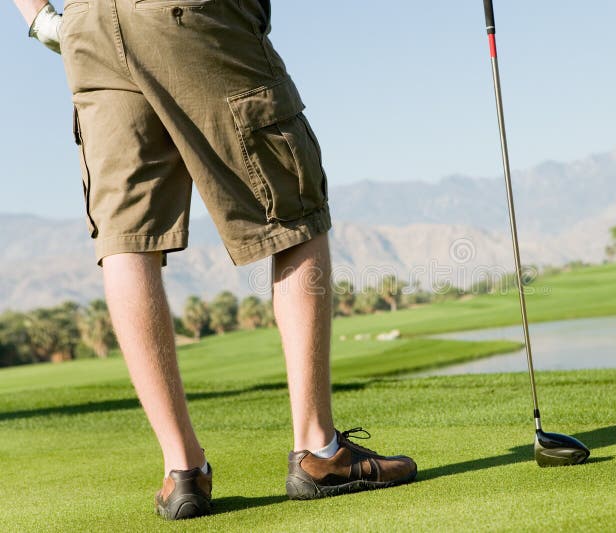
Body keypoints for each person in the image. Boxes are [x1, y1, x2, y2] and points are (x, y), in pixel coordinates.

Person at [15, 0, 417, 520]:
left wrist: (41, 20)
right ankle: (319, 452)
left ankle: (183, 471)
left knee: (126, 238)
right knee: (293, 212)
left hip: (89, 24)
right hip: (190, 13)